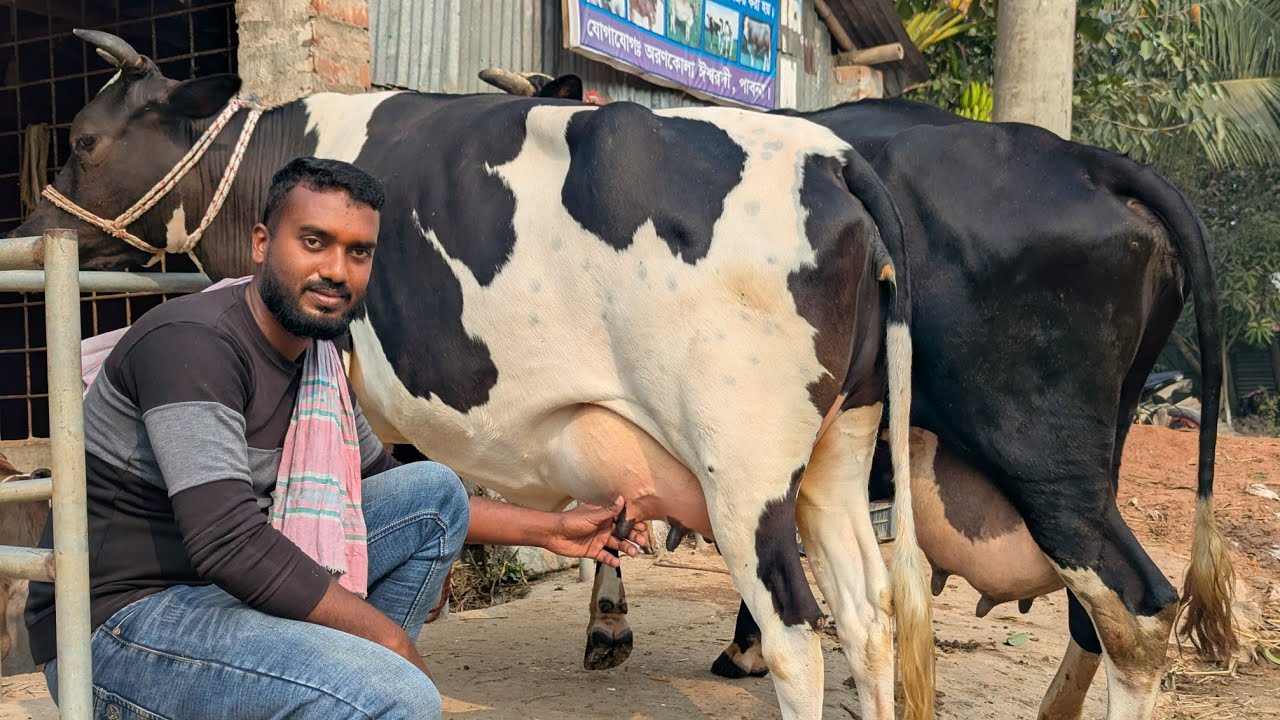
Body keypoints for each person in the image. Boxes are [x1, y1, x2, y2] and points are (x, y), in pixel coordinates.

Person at [25, 156, 647, 719]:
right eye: (314, 242)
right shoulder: (196, 347)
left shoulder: (317, 355)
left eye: (358, 252)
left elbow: (382, 486)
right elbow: (227, 542)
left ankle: (346, 689)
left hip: (218, 595)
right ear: (262, 244)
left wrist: (555, 530)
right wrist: (384, 637)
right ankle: (362, 688)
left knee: (434, 494)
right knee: (395, 689)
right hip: (121, 627)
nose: (335, 271)